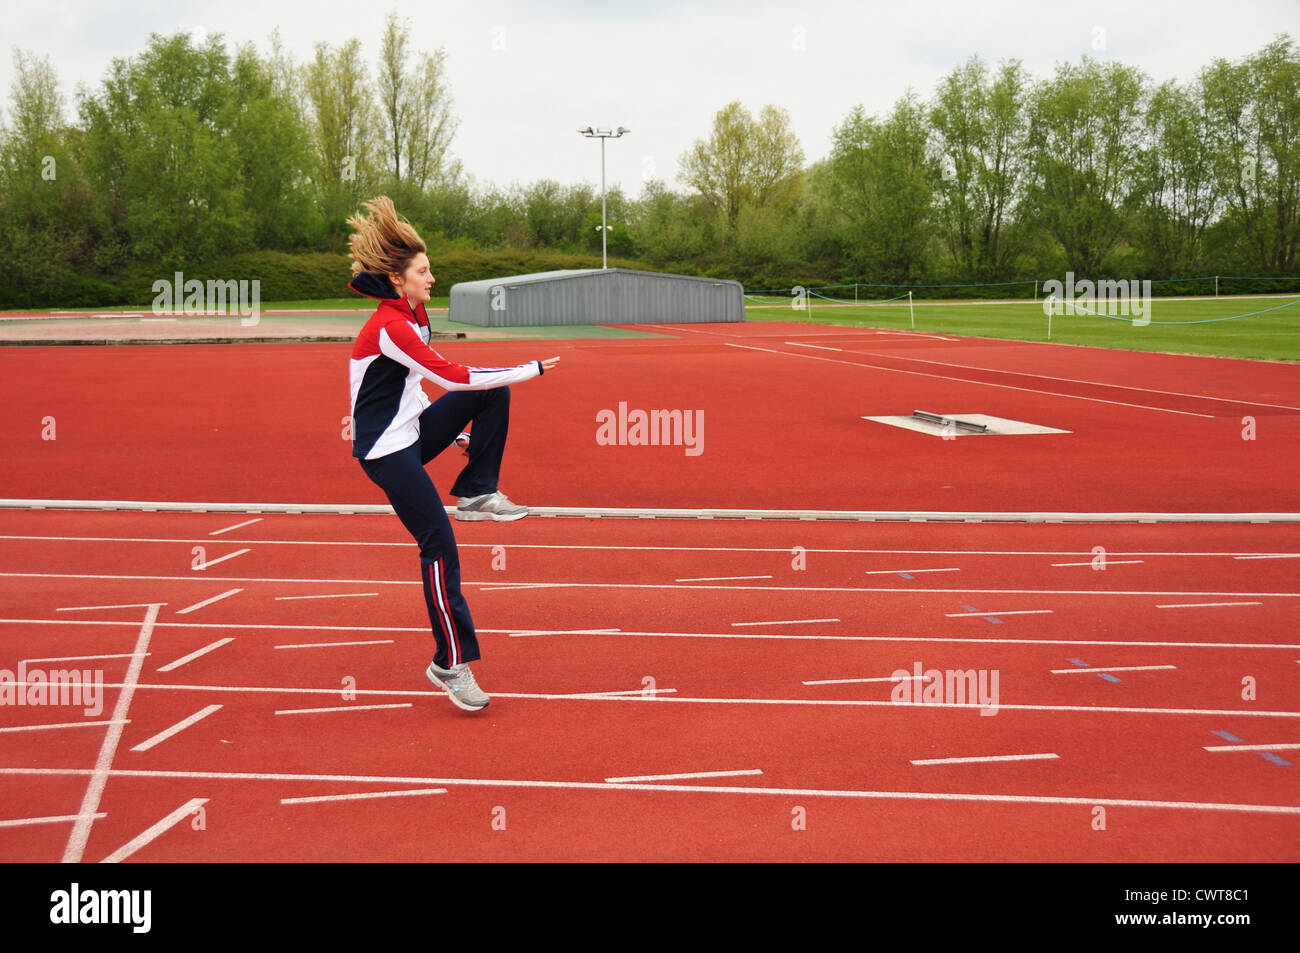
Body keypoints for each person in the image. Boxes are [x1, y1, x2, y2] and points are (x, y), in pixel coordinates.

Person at [346, 196, 559, 711]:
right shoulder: (391, 326)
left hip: (410, 430)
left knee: (491, 394)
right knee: (438, 545)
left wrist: (460, 438)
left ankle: (478, 490)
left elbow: (411, 386)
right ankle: (449, 663)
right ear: (399, 278)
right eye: (424, 270)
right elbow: (451, 377)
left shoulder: (413, 314)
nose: (432, 277)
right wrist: (529, 369)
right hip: (385, 452)